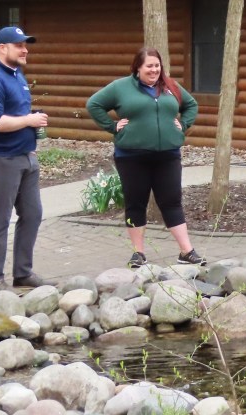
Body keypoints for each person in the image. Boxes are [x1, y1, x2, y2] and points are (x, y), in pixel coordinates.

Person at [86, 47, 202, 269]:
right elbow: (94, 104)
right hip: (131, 156)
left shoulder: (170, 86)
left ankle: (186, 251)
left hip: (167, 155)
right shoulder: (121, 87)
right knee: (135, 202)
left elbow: (191, 105)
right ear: (138, 67)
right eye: (149, 65)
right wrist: (112, 127)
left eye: (157, 65)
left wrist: (183, 124)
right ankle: (138, 253)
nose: (154, 70)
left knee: (171, 201)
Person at [0, 25, 49, 294]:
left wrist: (33, 124)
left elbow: (16, 115)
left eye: (25, 44)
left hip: (26, 157)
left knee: (32, 214)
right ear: (2, 48)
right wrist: (28, 120)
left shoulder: (17, 75)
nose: (25, 49)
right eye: (19, 45)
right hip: (1, 159)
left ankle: (22, 273)